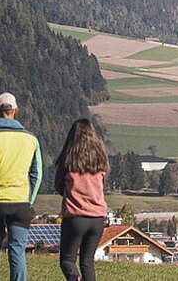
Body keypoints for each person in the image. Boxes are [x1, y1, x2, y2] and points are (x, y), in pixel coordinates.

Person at [0, 92, 43, 281]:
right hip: (21, 202)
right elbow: (37, 175)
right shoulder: (31, 139)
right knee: (17, 253)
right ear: (15, 111)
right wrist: (30, 199)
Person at [54, 119, 110, 281]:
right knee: (87, 262)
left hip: (75, 217)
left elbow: (58, 186)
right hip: (97, 218)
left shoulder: (68, 161)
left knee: (67, 260)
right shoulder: (100, 161)